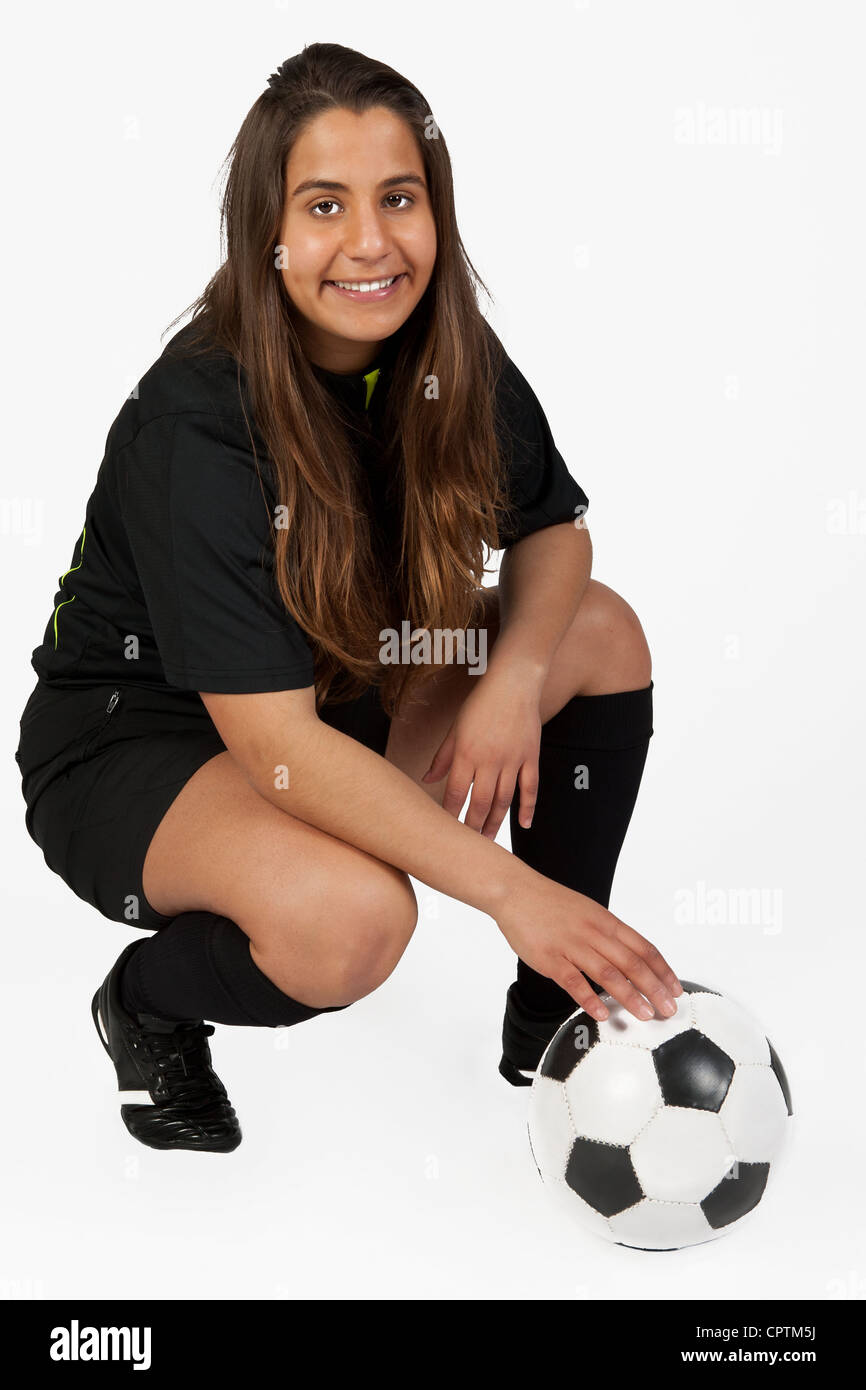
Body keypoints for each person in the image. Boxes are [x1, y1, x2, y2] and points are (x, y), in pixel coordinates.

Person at [14, 42, 682, 1154]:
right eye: (324, 205)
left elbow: (553, 532)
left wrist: (511, 680)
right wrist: (512, 892)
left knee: (594, 632)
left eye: (399, 199)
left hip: (334, 681)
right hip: (145, 741)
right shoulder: (201, 419)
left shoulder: (440, 347)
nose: (370, 244)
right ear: (266, 232)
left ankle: (550, 1013)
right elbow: (272, 745)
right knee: (353, 920)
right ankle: (145, 1005)